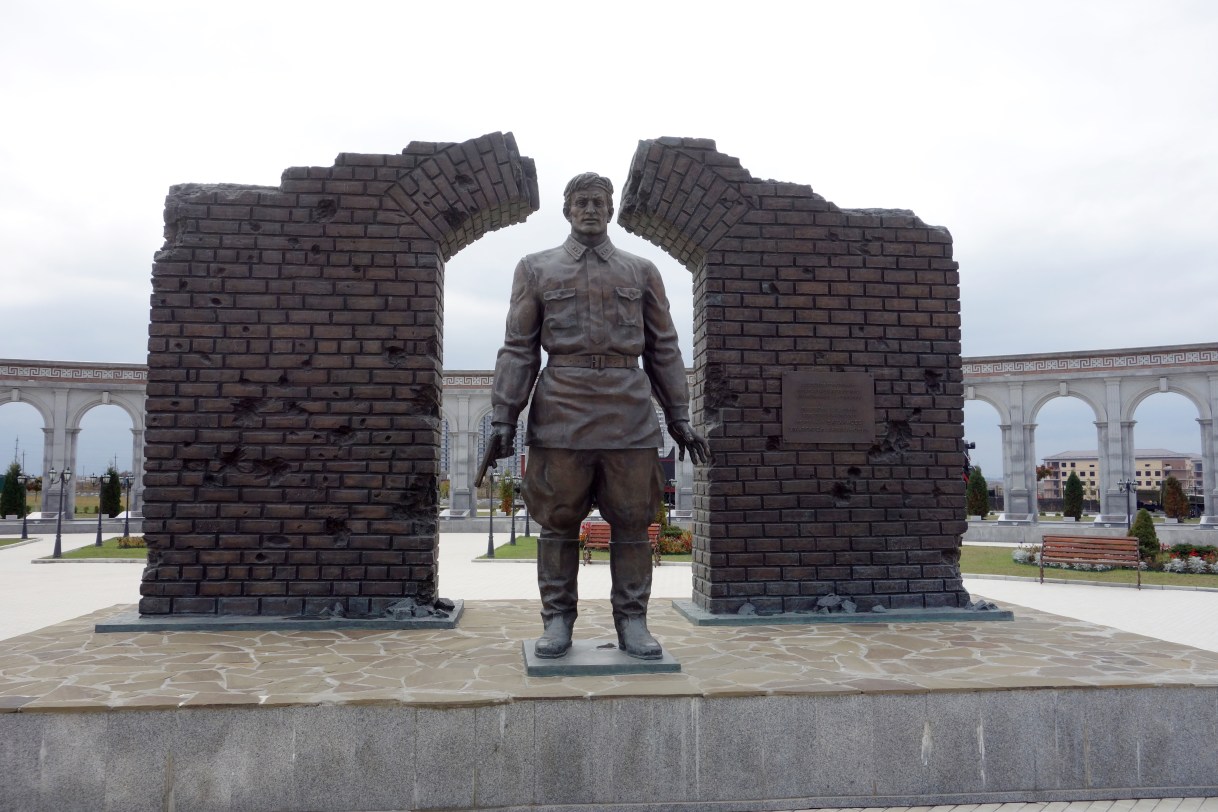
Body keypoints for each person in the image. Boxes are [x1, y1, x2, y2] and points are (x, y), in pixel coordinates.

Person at [485, 172, 708, 660]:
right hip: (562, 405)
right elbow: (519, 347)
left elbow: (664, 348)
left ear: (610, 210)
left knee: (632, 521)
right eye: (582, 202)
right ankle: (558, 620)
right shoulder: (536, 268)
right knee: (558, 522)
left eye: (599, 202)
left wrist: (678, 413)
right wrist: (504, 415)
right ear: (567, 210)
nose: (591, 209)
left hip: (627, 409)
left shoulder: (641, 270)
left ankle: (632, 621)